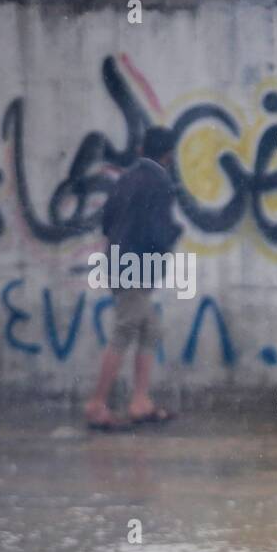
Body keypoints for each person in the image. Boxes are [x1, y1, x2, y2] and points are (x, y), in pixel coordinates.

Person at [84, 126, 181, 430]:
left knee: (149, 328)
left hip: (119, 262)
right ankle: (97, 404)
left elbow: (107, 221)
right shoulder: (160, 182)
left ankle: (140, 402)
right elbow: (157, 231)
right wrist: (172, 236)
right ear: (168, 155)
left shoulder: (126, 178)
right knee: (125, 330)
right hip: (138, 266)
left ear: (142, 150)